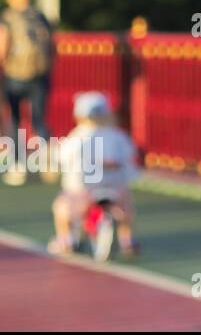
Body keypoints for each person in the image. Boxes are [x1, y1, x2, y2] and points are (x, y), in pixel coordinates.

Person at [48, 91, 140, 257]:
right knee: (125, 210)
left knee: (61, 208)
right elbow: (129, 156)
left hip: (82, 191)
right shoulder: (118, 136)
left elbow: (62, 157)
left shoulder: (78, 136)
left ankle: (66, 241)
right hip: (115, 189)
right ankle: (127, 241)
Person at [0, 0, 54, 185]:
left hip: (15, 75)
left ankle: (17, 165)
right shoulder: (40, 16)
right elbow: (52, 46)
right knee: (39, 119)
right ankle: (47, 161)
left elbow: (3, 47)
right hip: (40, 75)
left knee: (13, 119)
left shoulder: (8, 17)